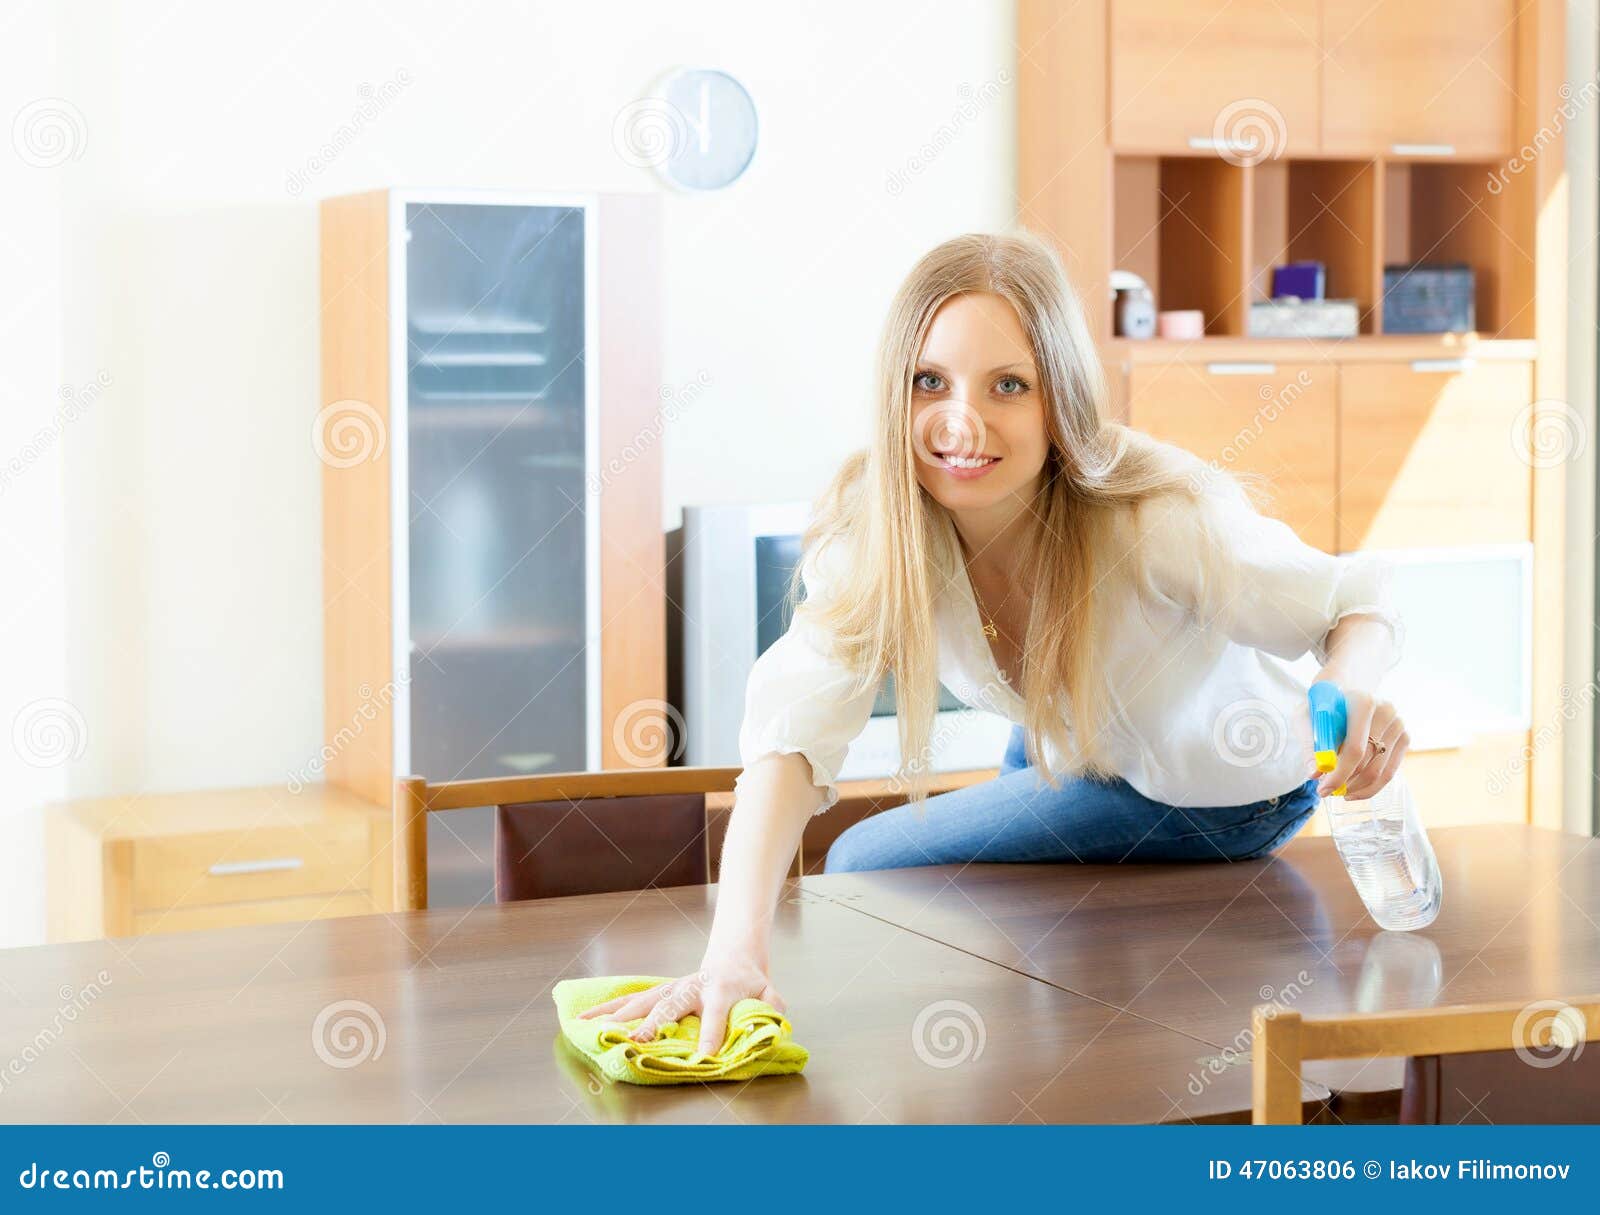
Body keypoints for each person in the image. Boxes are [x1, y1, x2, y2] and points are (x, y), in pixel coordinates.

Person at [581, 231, 1405, 1055]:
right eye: (929, 381)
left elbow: (1353, 601)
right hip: (1079, 745)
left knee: (865, 857)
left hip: (1222, 790)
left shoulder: (1152, 516)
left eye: (1008, 384)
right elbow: (791, 738)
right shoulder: (885, 525)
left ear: (1060, 400)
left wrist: (1348, 689)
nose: (961, 423)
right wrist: (730, 952)